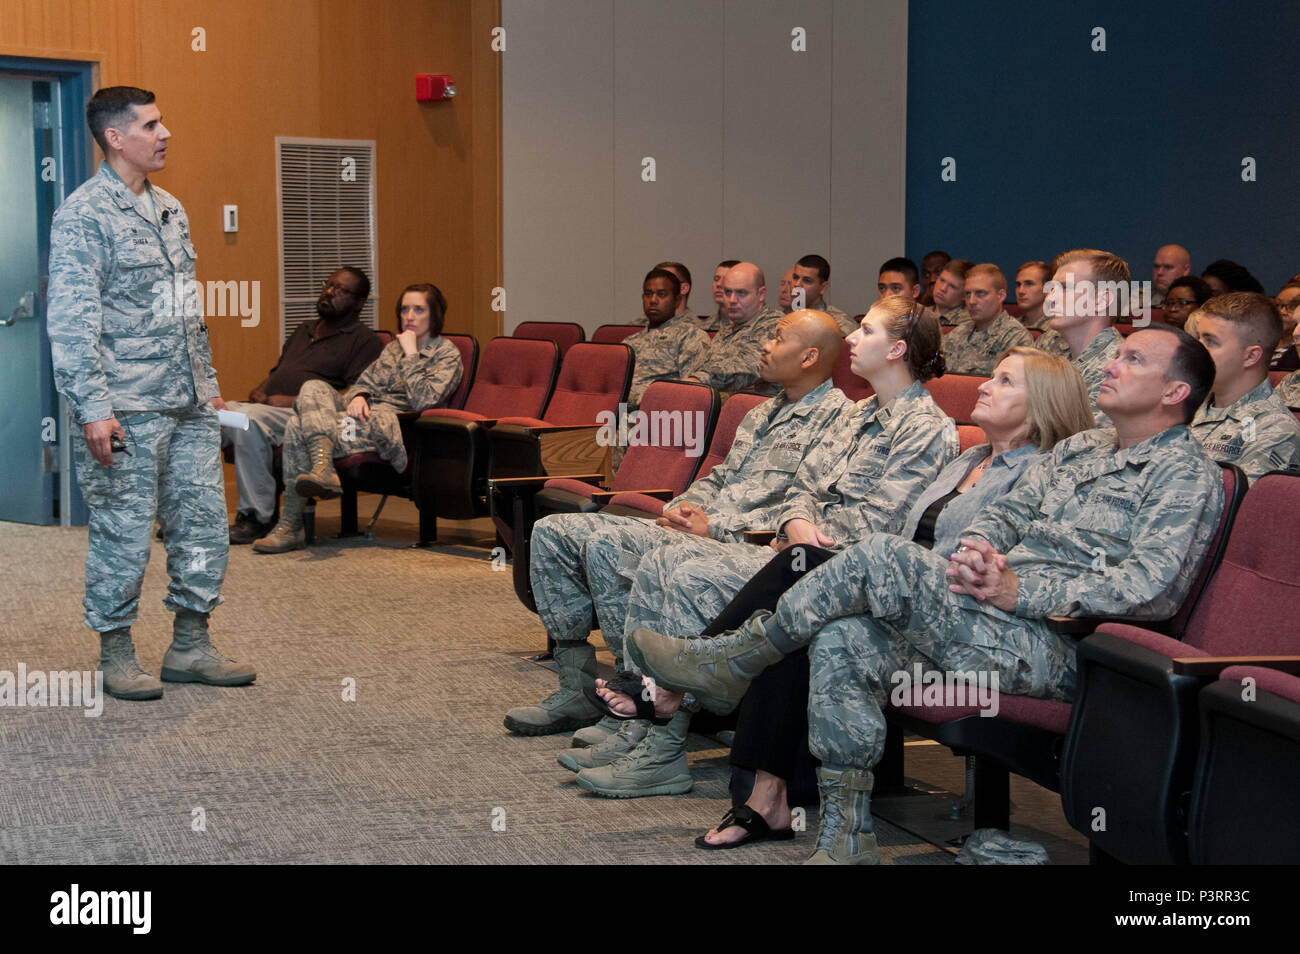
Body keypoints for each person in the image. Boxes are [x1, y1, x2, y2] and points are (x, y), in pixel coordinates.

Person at [626, 326, 1225, 863]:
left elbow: (1151, 590)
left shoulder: (1185, 472)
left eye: (1133, 359)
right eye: (1116, 355)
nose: (1112, 365)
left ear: (1174, 392)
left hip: (1059, 645)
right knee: (844, 636)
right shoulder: (1080, 450)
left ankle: (736, 658)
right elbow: (1008, 514)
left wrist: (1023, 589)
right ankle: (846, 837)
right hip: (986, 614)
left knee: (880, 557)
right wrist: (978, 553)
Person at [600, 348, 1093, 847]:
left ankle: (681, 688)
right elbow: (903, 530)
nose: (985, 385)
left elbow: (1007, 566)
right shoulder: (969, 459)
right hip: (899, 597)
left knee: (802, 580)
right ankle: (764, 799)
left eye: (1005, 381)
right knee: (806, 601)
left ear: (1044, 405)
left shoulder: (1046, 473)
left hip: (962, 619)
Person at [572, 296, 958, 798]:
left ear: (897, 349)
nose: (852, 339)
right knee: (666, 556)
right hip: (794, 551)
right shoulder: (857, 414)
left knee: (689, 573)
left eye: (865, 331)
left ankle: (662, 748)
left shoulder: (925, 429)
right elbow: (803, 486)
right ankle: (641, 728)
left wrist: (804, 531)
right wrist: (797, 519)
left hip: (842, 573)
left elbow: (879, 525)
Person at [503, 311, 850, 737]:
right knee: (555, 530)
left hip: (747, 546)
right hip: (701, 528)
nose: (765, 345)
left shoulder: (840, 420)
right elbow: (722, 478)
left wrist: (714, 528)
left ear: (810, 356)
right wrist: (683, 508)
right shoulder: (761, 413)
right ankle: (577, 685)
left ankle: (633, 698)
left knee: (608, 546)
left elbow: (802, 506)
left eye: (778, 339)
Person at [47, 86, 255, 700]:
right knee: (124, 533)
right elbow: (72, 320)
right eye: (151, 125)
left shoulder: (170, 208)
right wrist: (92, 408)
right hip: (125, 408)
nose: (165, 134)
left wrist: (208, 386)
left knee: (201, 526)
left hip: (186, 402)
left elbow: (186, 308)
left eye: (162, 122)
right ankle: (115, 652)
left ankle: (191, 644)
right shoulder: (84, 215)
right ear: (116, 137)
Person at [253, 283, 463, 553]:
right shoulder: (392, 350)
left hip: (391, 427)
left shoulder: (447, 354)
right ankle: (322, 470)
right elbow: (364, 384)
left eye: (418, 310)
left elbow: (425, 400)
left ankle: (291, 525)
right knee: (312, 388)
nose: (409, 316)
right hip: (358, 419)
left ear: (434, 314)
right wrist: (360, 396)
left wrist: (412, 354)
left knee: (297, 425)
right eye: (404, 309)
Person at [222, 267, 383, 543]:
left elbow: (355, 393)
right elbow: (279, 373)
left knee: (244, 421)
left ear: (359, 303)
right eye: (328, 285)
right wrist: (261, 389)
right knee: (210, 416)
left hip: (307, 419)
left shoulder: (364, 341)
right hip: (266, 413)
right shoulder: (304, 329)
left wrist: (291, 401)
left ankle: (256, 519)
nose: (329, 292)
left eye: (340, 290)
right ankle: (189, 516)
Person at [1191, 292, 1300, 482]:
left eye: (1211, 341)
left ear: (1250, 356)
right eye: (1198, 338)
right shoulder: (1181, 406)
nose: (1196, 350)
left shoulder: (1275, 430)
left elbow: (1238, 509)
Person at [1033, 248, 1128, 425]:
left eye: (1065, 288)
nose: (1049, 299)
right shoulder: (1048, 345)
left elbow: (1087, 448)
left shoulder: (1117, 370)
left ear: (1101, 301)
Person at [686, 262, 784, 395]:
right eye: (728, 292)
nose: (732, 300)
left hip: (753, 411)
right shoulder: (729, 328)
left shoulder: (775, 324)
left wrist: (697, 380)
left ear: (761, 294)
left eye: (741, 293)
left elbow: (747, 367)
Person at [940, 264, 1034, 374]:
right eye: (968, 294)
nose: (971, 301)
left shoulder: (1016, 338)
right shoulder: (957, 333)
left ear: (1001, 295)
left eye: (980, 293)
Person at [791, 254, 855, 335]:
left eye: (807, 281)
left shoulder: (838, 324)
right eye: (795, 277)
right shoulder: (784, 318)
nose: (797, 284)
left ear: (823, 288)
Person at [923, 259, 972, 326]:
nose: (943, 288)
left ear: (964, 295)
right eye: (942, 280)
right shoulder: (920, 315)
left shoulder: (969, 322)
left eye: (952, 286)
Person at [699, 259, 740, 332]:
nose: (718, 284)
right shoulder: (704, 326)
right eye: (716, 279)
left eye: (725, 279)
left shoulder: (756, 327)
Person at [1270, 281, 1300, 370]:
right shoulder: (1264, 342)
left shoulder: (1294, 352)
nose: (1282, 312)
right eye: (1278, 305)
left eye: (1291, 306)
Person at [1014, 261, 1052, 331]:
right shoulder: (1010, 327)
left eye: (1029, 284)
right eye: (1018, 285)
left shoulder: (1057, 327)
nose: (1020, 291)